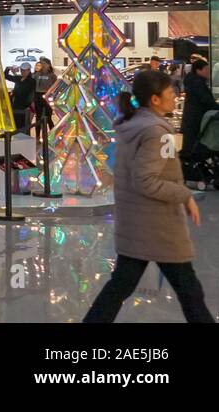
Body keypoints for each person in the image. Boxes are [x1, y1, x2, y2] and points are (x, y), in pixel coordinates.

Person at [83, 70, 213, 323]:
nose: (175, 96)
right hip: (159, 226)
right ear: (154, 99)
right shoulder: (157, 133)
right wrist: (184, 193)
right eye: (170, 92)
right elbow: (146, 180)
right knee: (189, 291)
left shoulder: (132, 127)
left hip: (137, 223)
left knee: (121, 285)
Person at [181, 57, 217, 190]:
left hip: (192, 123)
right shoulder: (198, 84)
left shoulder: (193, 83)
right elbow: (207, 101)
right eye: (206, 69)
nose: (208, 72)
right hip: (196, 124)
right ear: (198, 70)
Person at [3, 62, 36, 134]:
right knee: (16, 123)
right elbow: (5, 76)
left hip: (24, 106)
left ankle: (23, 139)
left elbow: (30, 94)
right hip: (16, 105)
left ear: (29, 70)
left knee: (23, 125)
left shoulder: (31, 81)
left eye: (24, 70)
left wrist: (29, 106)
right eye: (21, 70)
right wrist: (8, 68)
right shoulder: (19, 78)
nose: (23, 72)